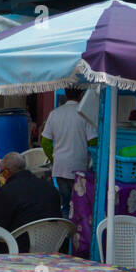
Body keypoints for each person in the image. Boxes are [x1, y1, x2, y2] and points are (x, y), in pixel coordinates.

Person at [0, 151, 63, 250]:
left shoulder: (7, 191)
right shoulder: (49, 187)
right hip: (53, 245)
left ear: (6, 172)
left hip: (20, 247)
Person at [40, 87, 96, 217]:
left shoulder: (54, 113)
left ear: (65, 95)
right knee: (79, 205)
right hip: (79, 167)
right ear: (81, 95)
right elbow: (93, 141)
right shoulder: (84, 115)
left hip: (60, 166)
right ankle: (78, 234)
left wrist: (54, 158)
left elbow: (45, 141)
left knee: (64, 205)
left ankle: (66, 235)